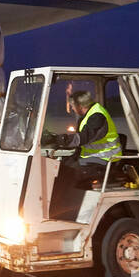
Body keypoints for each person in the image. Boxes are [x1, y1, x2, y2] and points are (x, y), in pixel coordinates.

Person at [43, 83, 121, 218]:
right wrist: (57, 139)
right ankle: (57, 208)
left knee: (67, 173)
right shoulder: (90, 114)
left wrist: (60, 139)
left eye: (72, 106)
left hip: (105, 160)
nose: (72, 109)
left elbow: (83, 138)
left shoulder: (97, 116)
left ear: (80, 105)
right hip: (93, 158)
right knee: (61, 165)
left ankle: (59, 211)